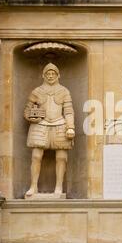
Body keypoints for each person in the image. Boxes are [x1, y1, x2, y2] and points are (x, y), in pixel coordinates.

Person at [24, 63, 75, 198]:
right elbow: (27, 110)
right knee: (36, 156)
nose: (50, 76)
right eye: (48, 74)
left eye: (53, 73)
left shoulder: (64, 91)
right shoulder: (37, 91)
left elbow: (69, 111)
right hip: (40, 125)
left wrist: (70, 127)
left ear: (58, 75)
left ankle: (58, 187)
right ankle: (33, 186)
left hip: (60, 124)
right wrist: (32, 118)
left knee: (62, 157)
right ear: (43, 75)